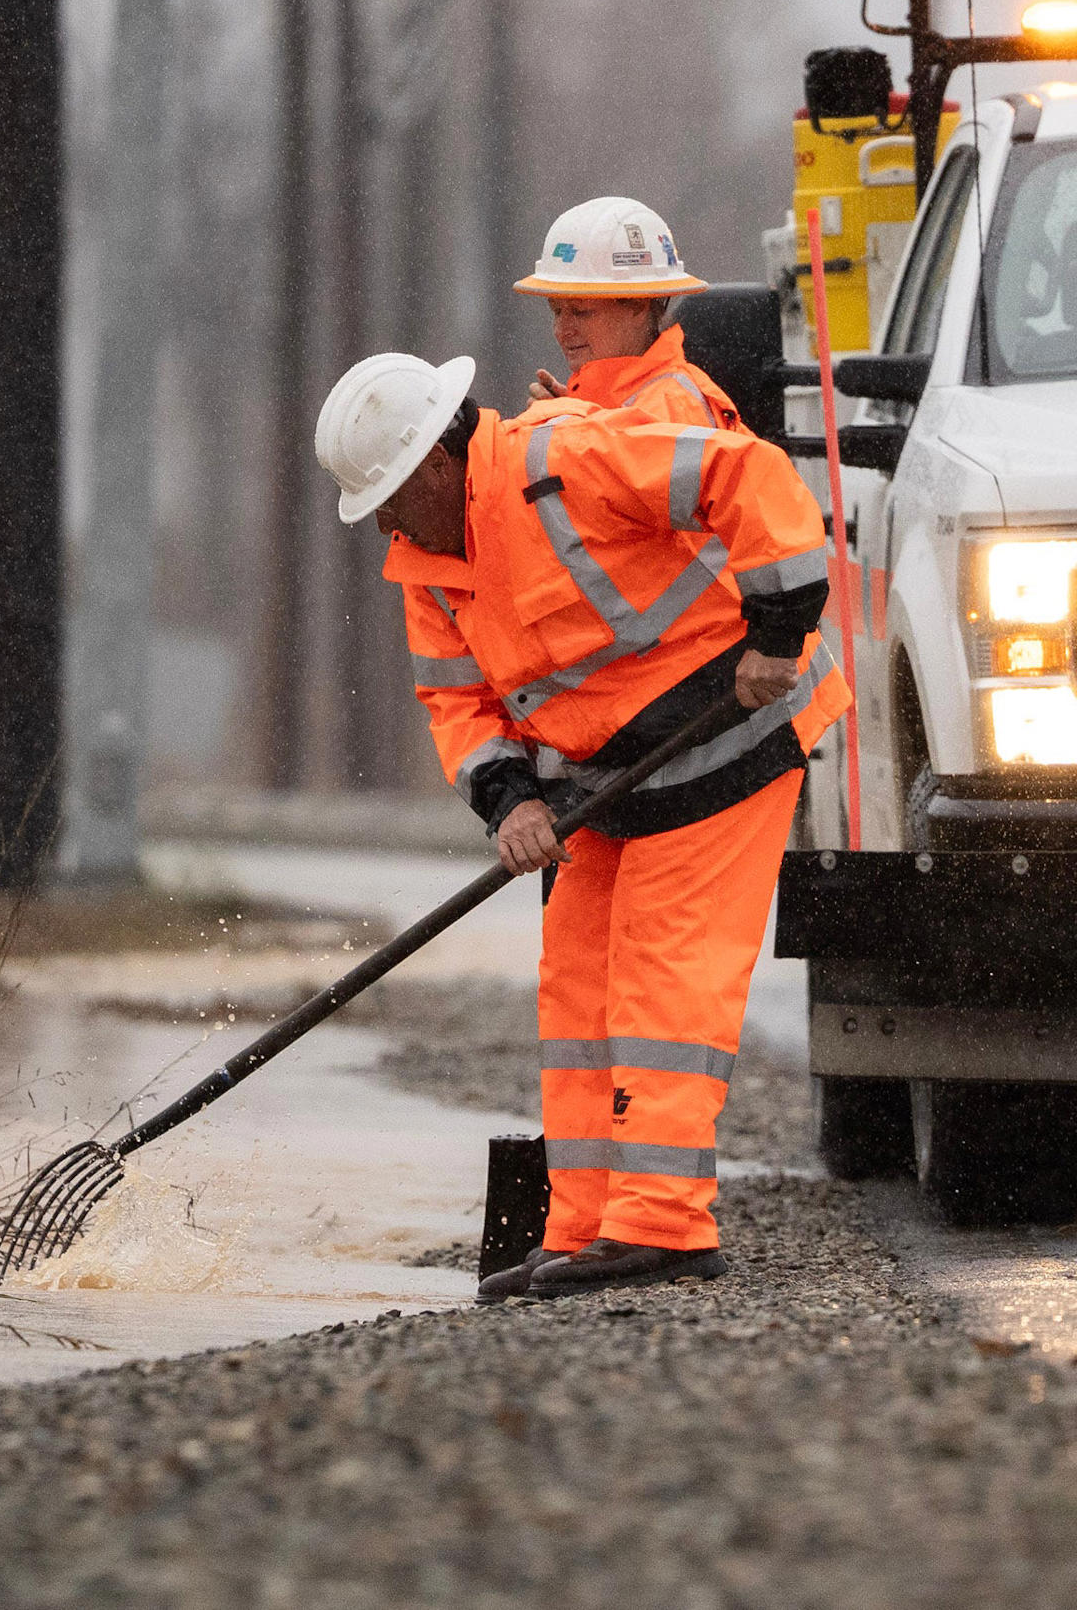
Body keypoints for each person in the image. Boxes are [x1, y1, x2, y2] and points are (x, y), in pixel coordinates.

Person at [312, 347, 836, 1301]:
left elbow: (749, 475)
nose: (383, 519)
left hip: (729, 740)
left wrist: (776, 632)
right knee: (577, 988)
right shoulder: (425, 565)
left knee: (661, 976)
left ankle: (662, 1225)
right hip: (601, 783)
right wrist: (511, 802)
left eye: (389, 493)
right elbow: (456, 702)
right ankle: (582, 1230)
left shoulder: (565, 459)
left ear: (437, 458)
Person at [516, 194, 741, 429]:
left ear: (637, 304)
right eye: (556, 312)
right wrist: (573, 413)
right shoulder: (638, 402)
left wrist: (563, 432)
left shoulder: (672, 410)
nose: (562, 331)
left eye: (581, 312)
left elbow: (617, 453)